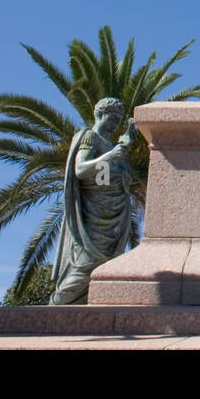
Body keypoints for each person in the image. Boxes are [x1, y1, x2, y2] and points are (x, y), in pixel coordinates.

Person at [51, 97, 134, 305]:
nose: (116, 123)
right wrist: (110, 156)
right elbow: (81, 170)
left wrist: (121, 155)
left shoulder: (110, 144)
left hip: (112, 214)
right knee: (84, 267)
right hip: (94, 215)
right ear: (100, 114)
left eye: (119, 119)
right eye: (112, 117)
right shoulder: (90, 137)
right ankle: (55, 307)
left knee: (104, 267)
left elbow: (103, 177)